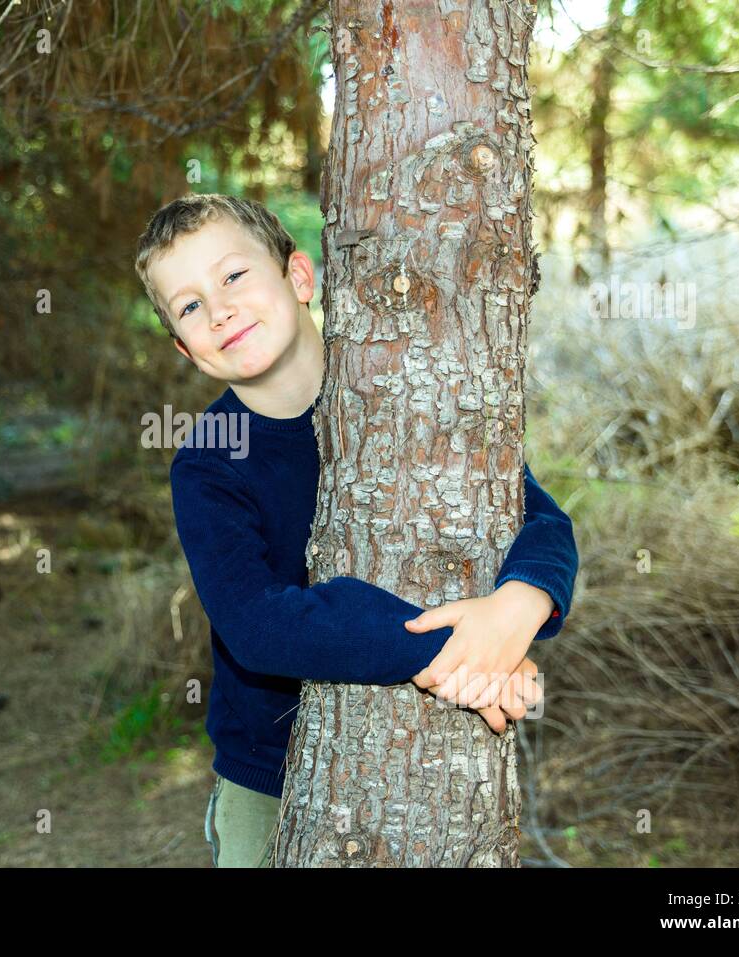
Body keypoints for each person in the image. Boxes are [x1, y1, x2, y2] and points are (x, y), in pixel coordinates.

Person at [133, 194, 579, 867]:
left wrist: (517, 608)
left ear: (299, 277)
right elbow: (258, 625)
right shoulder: (207, 464)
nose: (218, 309)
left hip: (429, 766)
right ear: (184, 347)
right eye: (190, 305)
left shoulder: (401, 392)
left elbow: (541, 518)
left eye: (232, 276)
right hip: (269, 777)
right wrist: (462, 653)